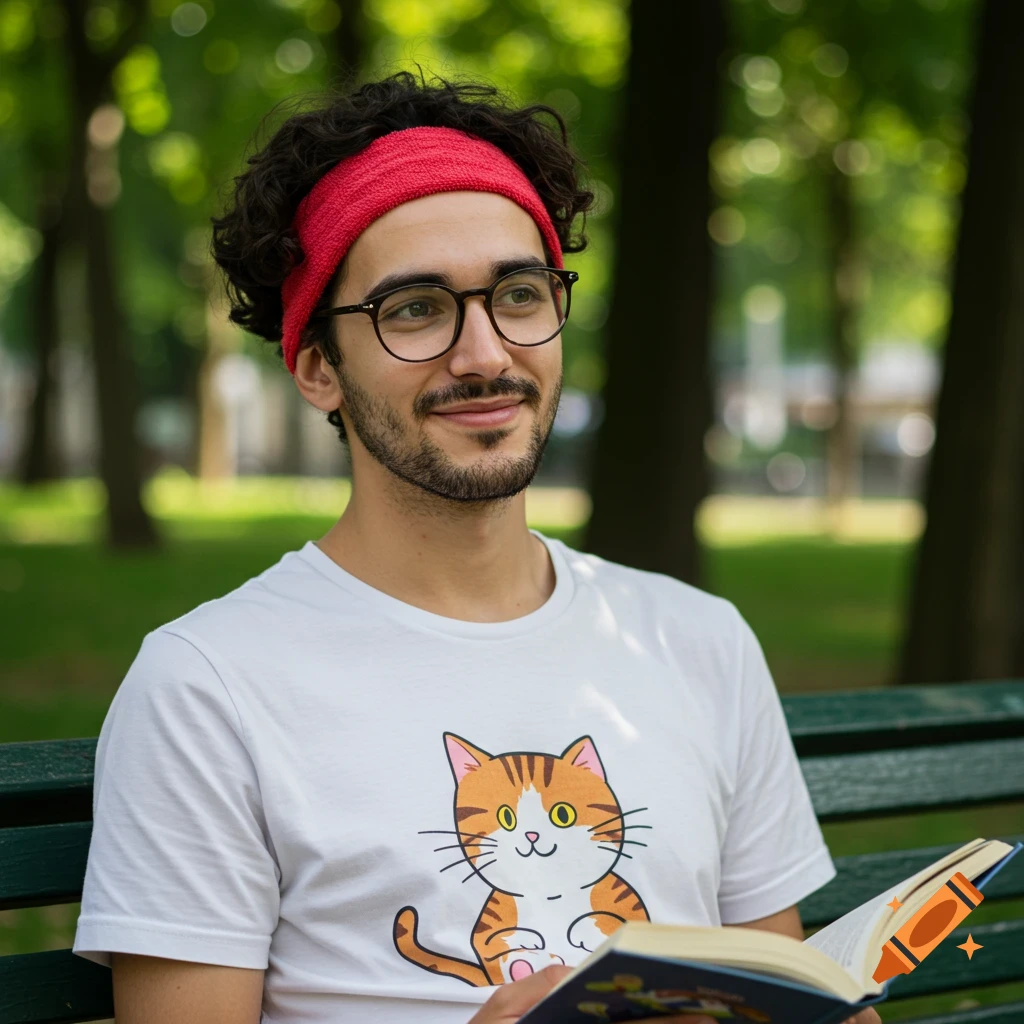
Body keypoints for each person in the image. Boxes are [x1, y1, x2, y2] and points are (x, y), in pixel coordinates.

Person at [72, 71, 880, 1024]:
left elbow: (774, 989)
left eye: (520, 294)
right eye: (415, 309)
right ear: (319, 368)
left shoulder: (694, 639)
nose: (486, 354)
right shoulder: (208, 686)